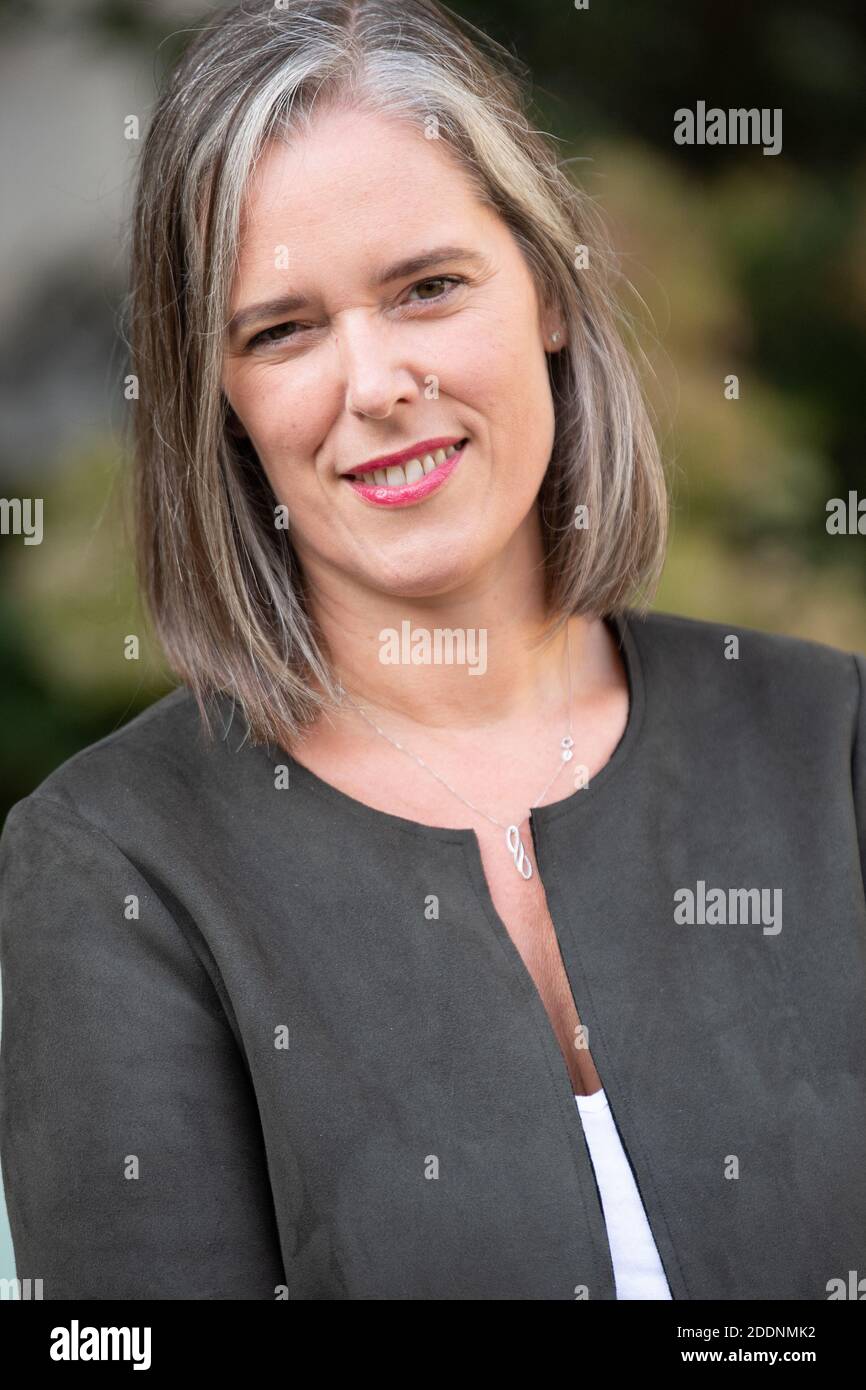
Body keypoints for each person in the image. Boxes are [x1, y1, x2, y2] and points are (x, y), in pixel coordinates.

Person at [1, 0, 864, 1302]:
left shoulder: (825, 739)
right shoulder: (116, 862)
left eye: (427, 287)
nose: (376, 380)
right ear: (219, 403)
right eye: (282, 328)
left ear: (550, 296)